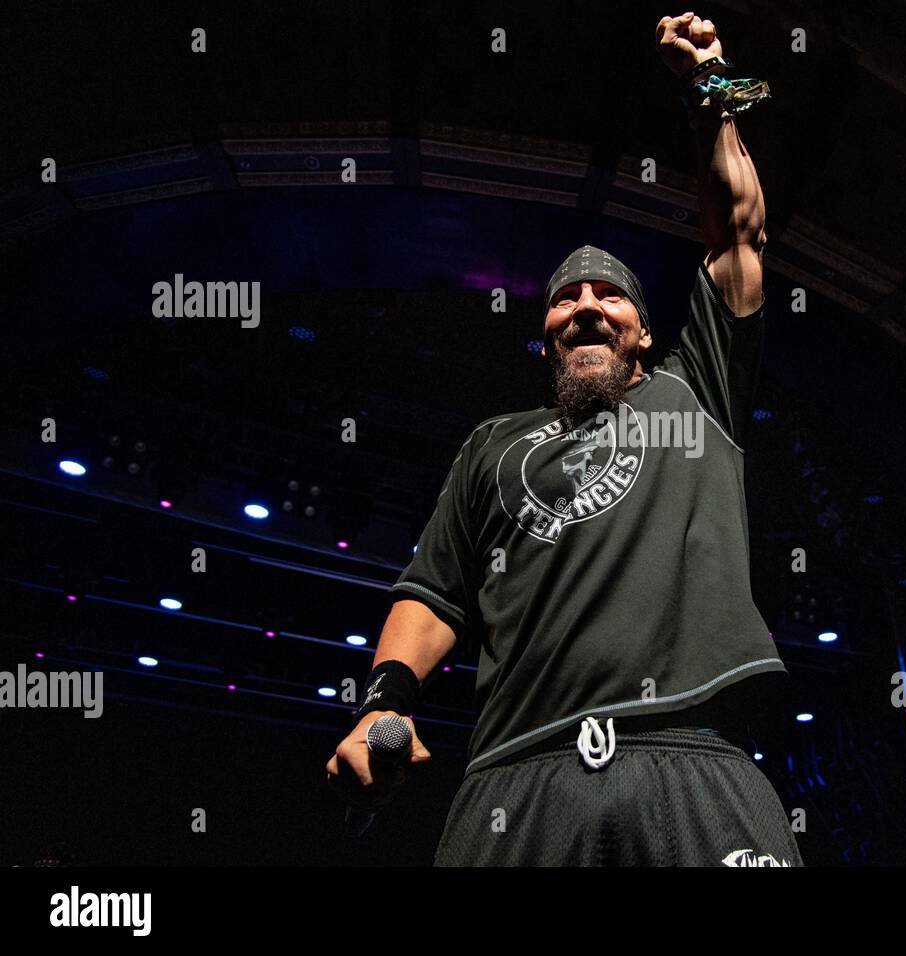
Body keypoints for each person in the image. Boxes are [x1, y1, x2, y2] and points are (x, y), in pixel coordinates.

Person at [327, 11, 800, 866]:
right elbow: (433, 596)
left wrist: (711, 96)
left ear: (643, 333)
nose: (586, 303)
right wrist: (381, 705)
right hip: (518, 775)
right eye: (565, 297)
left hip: (689, 762)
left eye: (610, 296)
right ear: (546, 333)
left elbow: (739, 234)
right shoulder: (494, 445)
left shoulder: (697, 390)